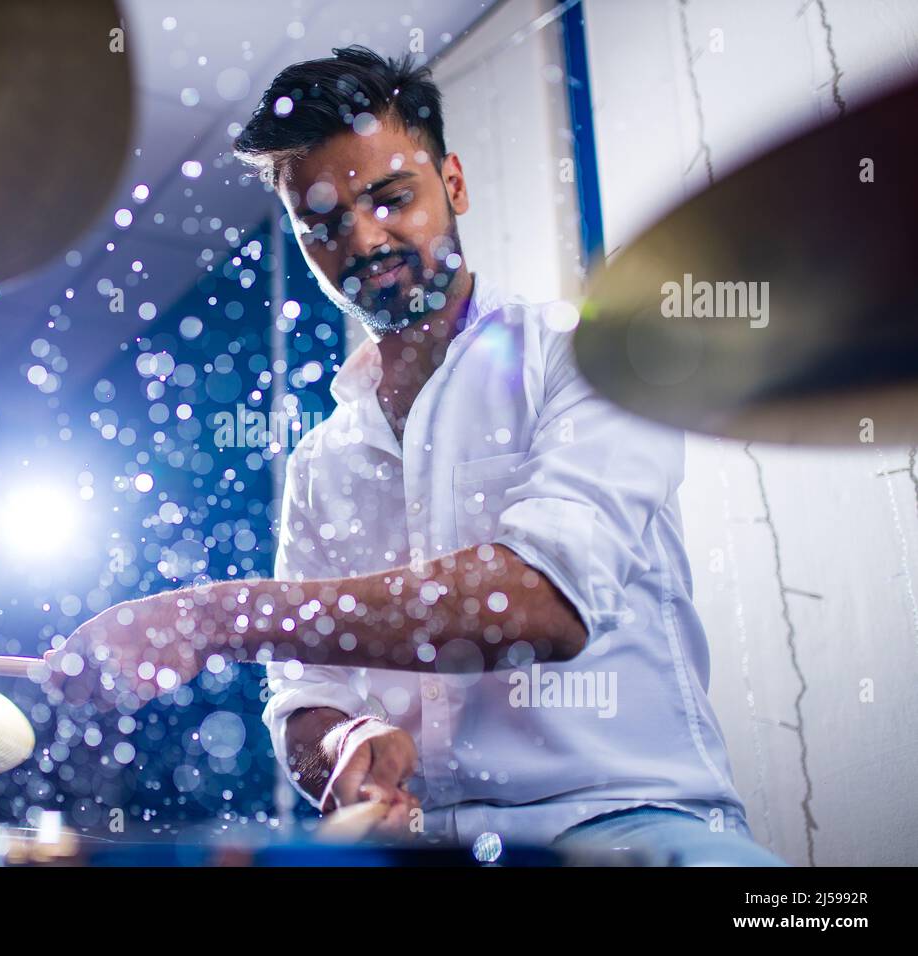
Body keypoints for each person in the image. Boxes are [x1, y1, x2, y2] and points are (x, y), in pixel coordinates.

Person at [47, 45, 785, 866]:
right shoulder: (319, 463)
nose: (365, 240)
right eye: (323, 224)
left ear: (455, 185)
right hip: (423, 846)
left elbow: (542, 603)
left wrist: (213, 618)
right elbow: (305, 693)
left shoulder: (596, 358)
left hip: (632, 825)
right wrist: (345, 751)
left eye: (392, 198)